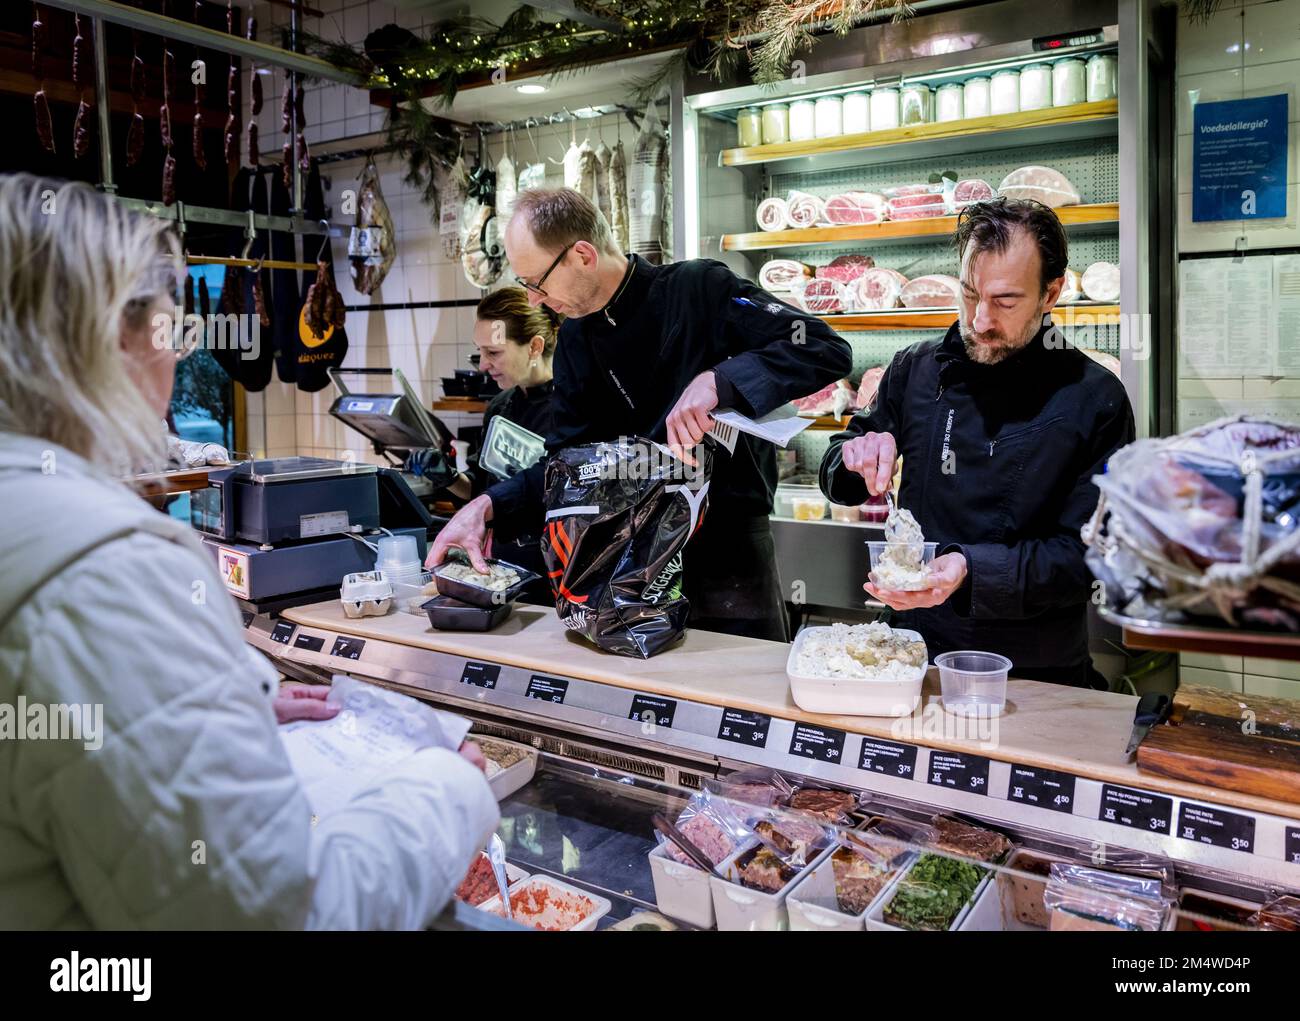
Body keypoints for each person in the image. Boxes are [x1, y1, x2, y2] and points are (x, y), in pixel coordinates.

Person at [0, 173, 498, 928]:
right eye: (169, 332)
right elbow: (274, 918)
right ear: (114, 339)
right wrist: (446, 793)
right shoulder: (110, 573)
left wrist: (225, 710)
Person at [428, 187, 853, 641]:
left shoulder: (700, 289)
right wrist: (487, 505)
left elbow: (822, 347)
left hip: (729, 567)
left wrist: (722, 380)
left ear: (583, 255)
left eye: (536, 282)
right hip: (628, 572)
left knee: (740, 706)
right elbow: (566, 468)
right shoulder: (574, 340)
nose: (533, 300)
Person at [819, 198, 1135, 688]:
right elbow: (841, 473)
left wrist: (972, 569)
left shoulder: (1094, 398)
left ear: (1051, 294)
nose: (980, 320)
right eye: (970, 294)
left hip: (1032, 675)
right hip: (910, 659)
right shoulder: (916, 369)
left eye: (1005, 301)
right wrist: (853, 457)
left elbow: (1089, 558)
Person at [444, 287, 560, 599]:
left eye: (493, 353)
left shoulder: (571, 409)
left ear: (534, 346)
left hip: (557, 578)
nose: (482, 365)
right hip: (504, 574)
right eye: (479, 352)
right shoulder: (500, 406)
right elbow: (484, 493)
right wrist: (448, 478)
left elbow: (553, 487)